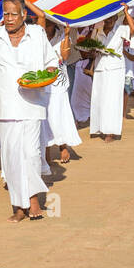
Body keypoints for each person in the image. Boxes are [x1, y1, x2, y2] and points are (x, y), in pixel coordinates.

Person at [0, 0, 59, 221]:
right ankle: (18, 206)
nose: (8, 18)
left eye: (13, 14)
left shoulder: (37, 34)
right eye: (5, 14)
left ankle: (33, 200)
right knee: (11, 158)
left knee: (32, 154)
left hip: (33, 104)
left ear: (24, 15)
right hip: (6, 108)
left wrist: (48, 77)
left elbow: (52, 62)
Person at [33, 15, 82, 163]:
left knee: (59, 115)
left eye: (48, 24)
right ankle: (46, 151)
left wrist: (67, 35)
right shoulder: (35, 37)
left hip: (58, 83)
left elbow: (65, 56)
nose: (45, 26)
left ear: (54, 25)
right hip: (41, 82)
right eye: (42, 23)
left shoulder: (61, 36)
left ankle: (63, 146)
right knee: (44, 117)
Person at [88, 15, 127, 141]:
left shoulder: (121, 29)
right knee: (99, 98)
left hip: (115, 68)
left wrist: (126, 11)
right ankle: (99, 127)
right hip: (100, 67)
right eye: (107, 18)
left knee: (112, 99)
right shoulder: (97, 30)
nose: (109, 20)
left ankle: (111, 131)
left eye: (112, 18)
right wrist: (93, 51)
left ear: (116, 17)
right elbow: (91, 47)